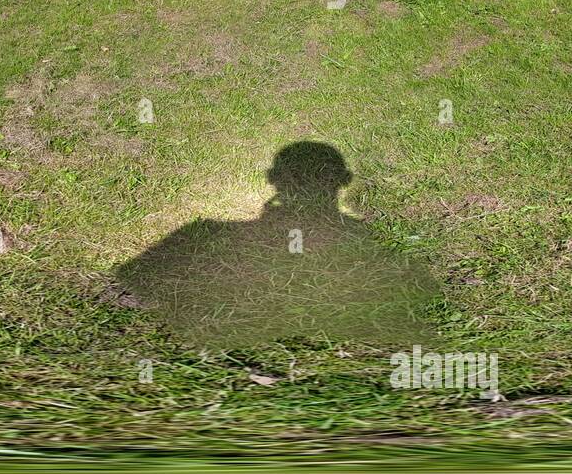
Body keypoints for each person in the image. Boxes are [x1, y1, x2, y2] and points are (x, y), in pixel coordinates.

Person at [112, 141, 440, 347]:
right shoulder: (373, 241)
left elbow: (129, 284)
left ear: (273, 180)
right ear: (343, 182)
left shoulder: (205, 235)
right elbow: (424, 298)